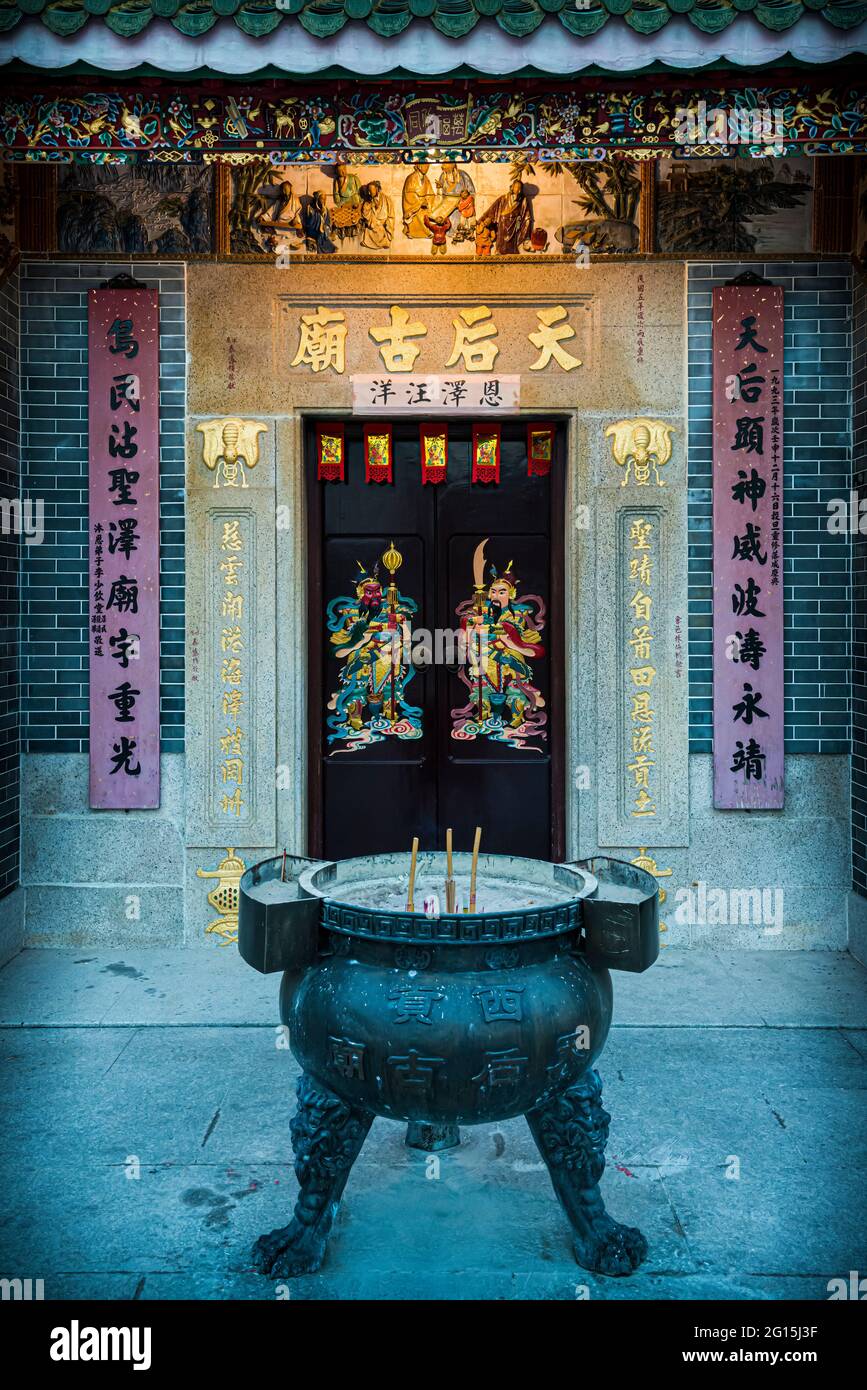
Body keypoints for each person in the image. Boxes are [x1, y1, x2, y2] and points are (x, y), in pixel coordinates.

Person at [477, 177, 534, 255]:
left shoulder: (523, 200)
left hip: (514, 225)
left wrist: (526, 228)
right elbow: (493, 209)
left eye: (520, 188)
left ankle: (515, 250)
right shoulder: (503, 198)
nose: (518, 190)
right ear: (512, 187)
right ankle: (499, 251)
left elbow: (527, 216)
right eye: (516, 187)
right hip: (503, 223)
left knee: (512, 244)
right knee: (501, 240)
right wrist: (482, 219)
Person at [402, 162, 435, 239]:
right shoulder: (411, 178)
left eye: (427, 167)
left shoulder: (426, 178)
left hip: (423, 203)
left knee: (428, 213)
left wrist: (428, 200)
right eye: (425, 167)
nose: (426, 169)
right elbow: (409, 193)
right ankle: (411, 232)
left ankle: (426, 231)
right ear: (419, 166)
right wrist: (420, 203)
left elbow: (430, 193)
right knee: (418, 215)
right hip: (413, 204)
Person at [359, 181, 394, 250]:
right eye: (368, 191)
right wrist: (370, 206)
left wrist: (388, 225)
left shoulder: (387, 200)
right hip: (372, 225)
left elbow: (391, 215)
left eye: (371, 190)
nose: (369, 193)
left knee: (381, 231)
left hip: (383, 225)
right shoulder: (368, 202)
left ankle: (384, 242)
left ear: (377, 189)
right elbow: (365, 213)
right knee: (372, 228)